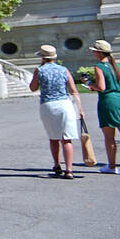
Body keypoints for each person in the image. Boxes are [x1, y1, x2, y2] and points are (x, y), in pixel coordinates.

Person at [29, 44, 85, 179]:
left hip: (48, 104)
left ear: (43, 57)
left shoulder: (40, 70)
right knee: (67, 138)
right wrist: (80, 109)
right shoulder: (64, 70)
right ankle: (69, 170)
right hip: (64, 103)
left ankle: (57, 164)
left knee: (53, 137)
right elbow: (73, 90)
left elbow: (33, 88)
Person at [86, 40, 120, 173]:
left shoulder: (99, 67)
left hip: (109, 100)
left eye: (94, 50)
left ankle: (112, 166)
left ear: (99, 52)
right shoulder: (117, 66)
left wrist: (91, 85)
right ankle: (111, 166)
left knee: (110, 137)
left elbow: (102, 87)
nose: (93, 52)